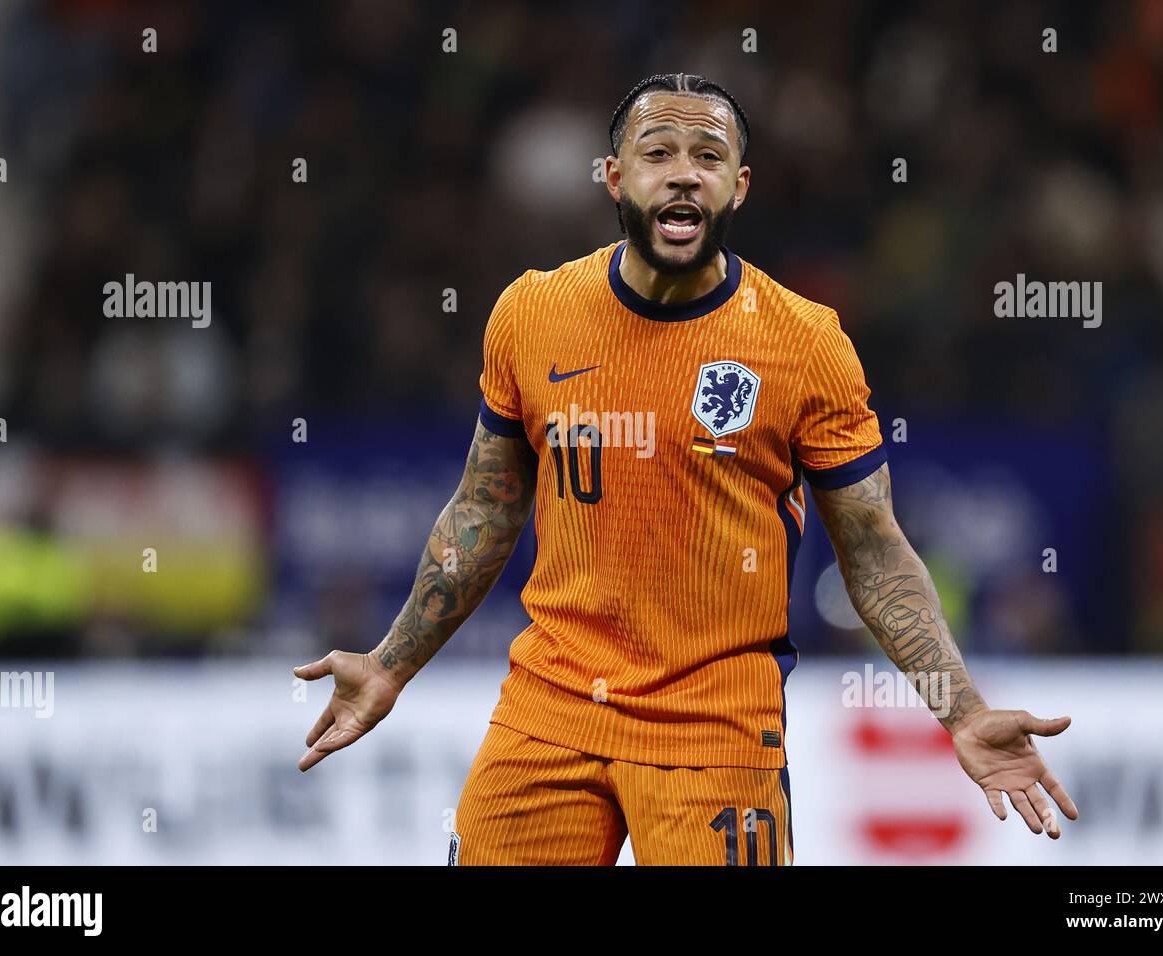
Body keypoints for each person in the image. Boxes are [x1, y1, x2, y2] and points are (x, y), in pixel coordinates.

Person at [294, 73, 1078, 865]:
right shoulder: (530, 313)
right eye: (658, 151)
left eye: (708, 155)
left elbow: (872, 551)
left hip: (717, 729)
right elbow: (486, 508)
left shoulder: (805, 343)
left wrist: (962, 710)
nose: (683, 172)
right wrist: (390, 665)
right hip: (550, 710)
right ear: (613, 176)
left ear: (737, 188)